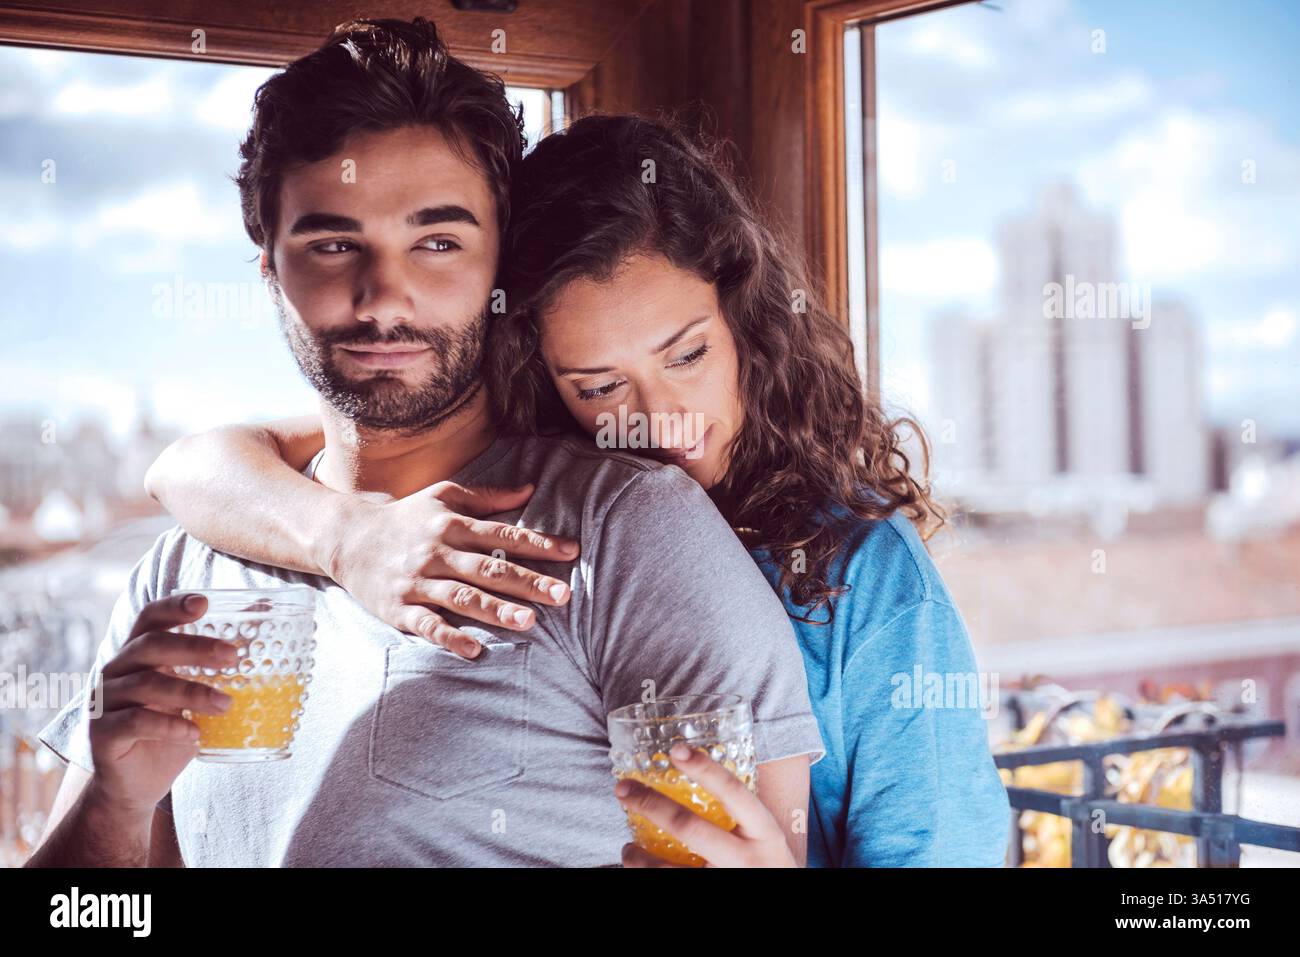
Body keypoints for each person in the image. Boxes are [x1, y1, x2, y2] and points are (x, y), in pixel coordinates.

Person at [25, 17, 826, 869]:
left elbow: (757, 845)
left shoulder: (633, 532)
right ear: (268, 263)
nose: (384, 297)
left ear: (499, 268)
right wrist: (114, 800)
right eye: (333, 243)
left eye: (438, 242)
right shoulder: (187, 567)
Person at [139, 101, 1012, 864]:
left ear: (747, 320)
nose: (658, 414)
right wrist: (347, 538)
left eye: (688, 355)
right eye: (599, 384)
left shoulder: (863, 572)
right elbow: (196, 464)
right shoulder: (552, 512)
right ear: (539, 375)